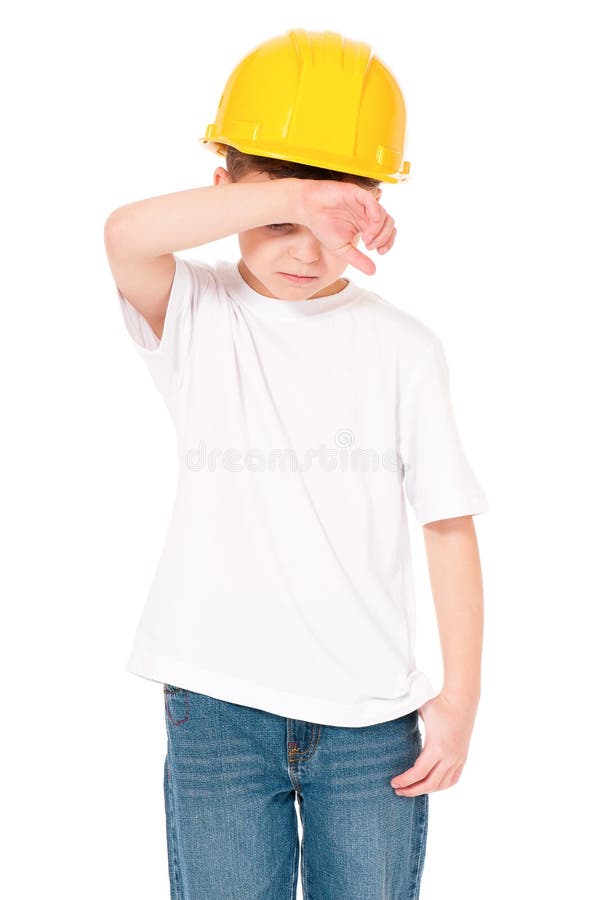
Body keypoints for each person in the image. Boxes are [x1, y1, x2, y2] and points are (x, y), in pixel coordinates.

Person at [104, 28, 488, 900]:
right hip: (217, 711)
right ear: (227, 194)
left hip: (372, 723)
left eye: (333, 216)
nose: (305, 249)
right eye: (278, 220)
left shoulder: (405, 348)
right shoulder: (196, 312)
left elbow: (448, 525)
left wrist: (458, 703)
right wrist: (297, 194)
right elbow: (126, 234)